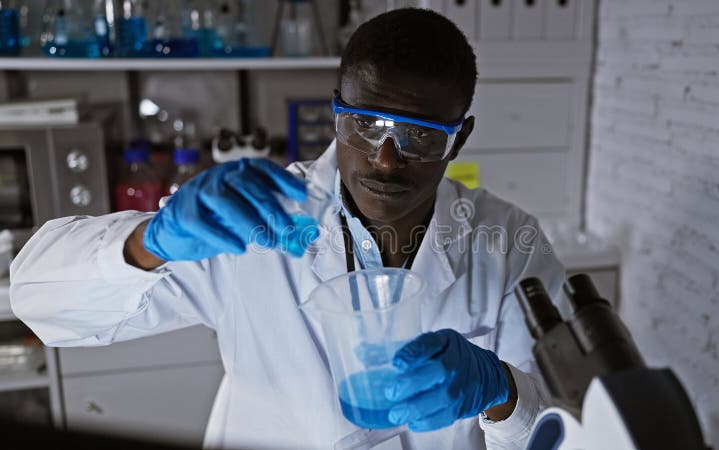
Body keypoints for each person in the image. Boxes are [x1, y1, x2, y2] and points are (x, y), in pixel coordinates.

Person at [10, 8, 564, 450]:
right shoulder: (257, 219)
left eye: (420, 137)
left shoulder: (506, 242)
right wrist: (148, 244)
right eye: (365, 124)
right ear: (337, 113)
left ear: (458, 139)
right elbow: (40, 302)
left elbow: (566, 425)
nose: (386, 160)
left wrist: (503, 394)